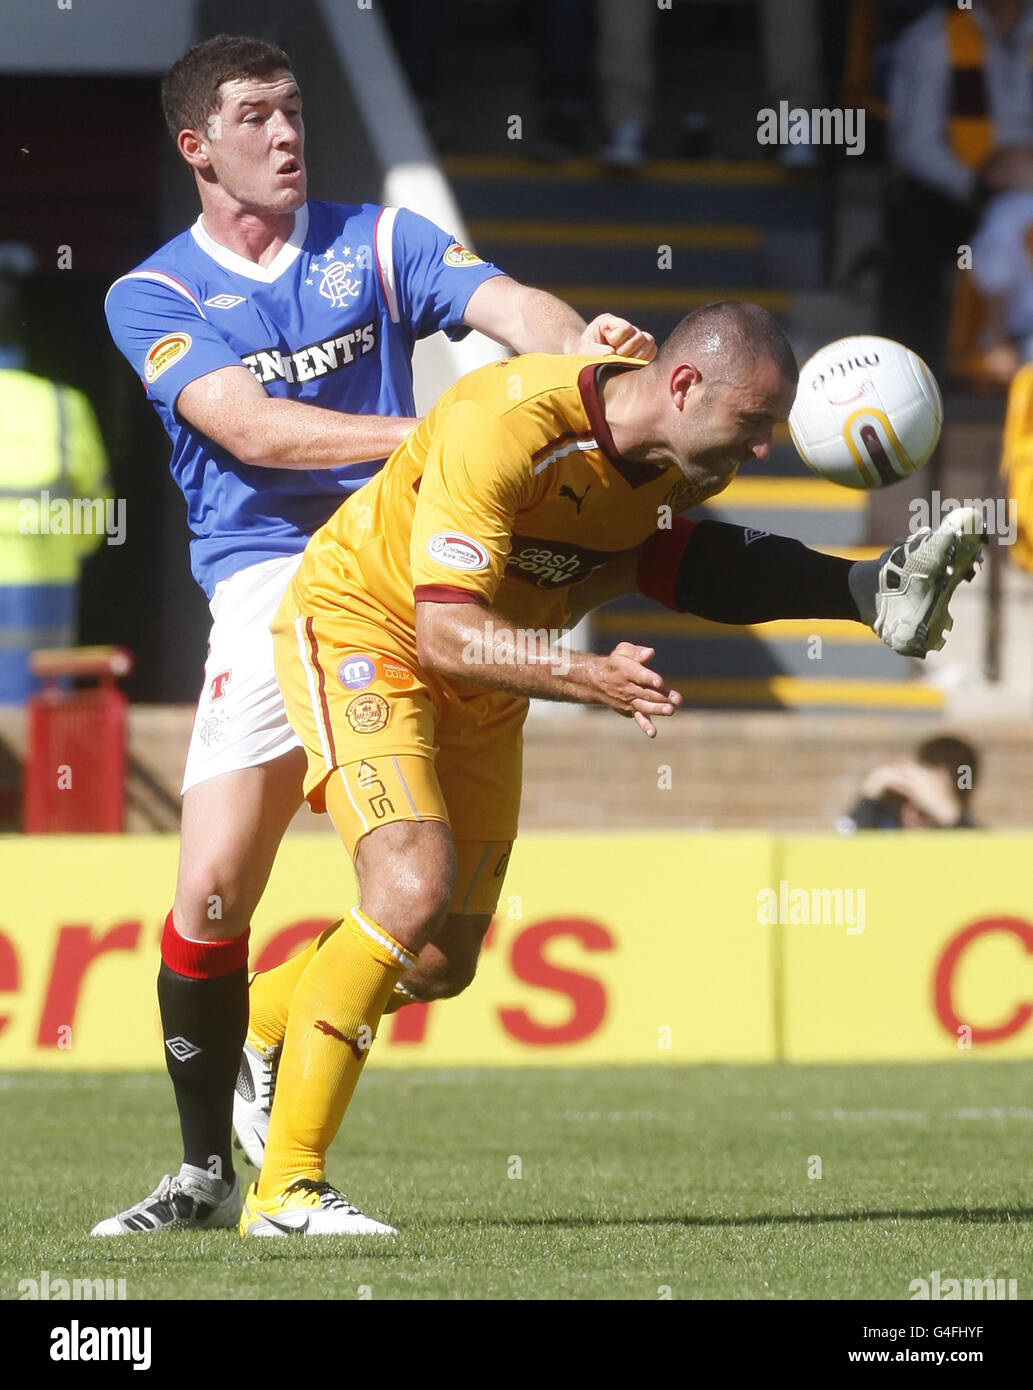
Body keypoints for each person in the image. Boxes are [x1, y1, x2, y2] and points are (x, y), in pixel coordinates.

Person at [227, 301, 982, 1235]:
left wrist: (851, 588)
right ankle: (288, 1192)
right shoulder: (499, 424)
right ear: (681, 384)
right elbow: (443, 629)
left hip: (492, 669)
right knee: (409, 881)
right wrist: (583, 673)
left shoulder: (677, 468)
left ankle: (258, 1024)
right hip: (369, 633)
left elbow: (675, 565)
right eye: (751, 425)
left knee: (436, 958)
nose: (762, 453)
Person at [93, 32, 655, 1237]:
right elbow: (252, 431)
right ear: (196, 148)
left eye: (294, 112)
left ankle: (275, 1034)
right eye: (254, 117)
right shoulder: (154, 291)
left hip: (408, 568)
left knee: (440, 951)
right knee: (209, 895)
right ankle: (205, 1174)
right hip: (270, 582)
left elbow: (509, 304)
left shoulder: (380, 240)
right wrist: (449, 438)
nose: (287, 134)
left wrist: (585, 355)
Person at [881, 0, 1033, 373]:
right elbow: (915, 144)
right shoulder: (933, 38)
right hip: (959, 194)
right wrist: (983, 181)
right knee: (914, 238)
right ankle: (914, 379)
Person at [0, 245, 110, 703]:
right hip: (45, 584)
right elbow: (98, 515)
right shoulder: (64, 406)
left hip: (43, 582)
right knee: (41, 727)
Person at [839, 733, 981, 831]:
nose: (913, 811)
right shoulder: (883, 822)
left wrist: (948, 813)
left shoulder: (960, 836)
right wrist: (869, 795)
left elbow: (987, 861)